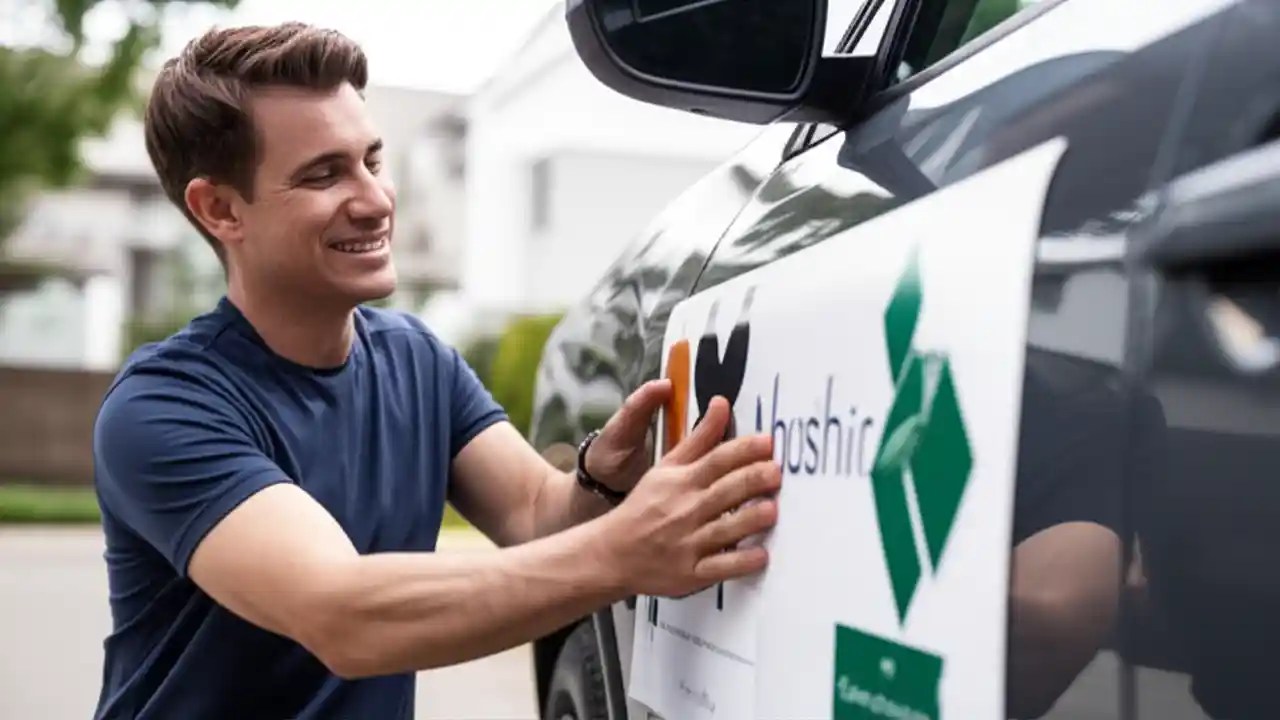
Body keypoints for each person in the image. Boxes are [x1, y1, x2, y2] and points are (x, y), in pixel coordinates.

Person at [90, 22, 781, 720]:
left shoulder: (416, 361)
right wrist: (624, 553)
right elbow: (345, 615)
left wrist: (600, 483)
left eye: (372, 160)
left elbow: (536, 516)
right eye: (324, 174)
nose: (376, 199)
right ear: (220, 209)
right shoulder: (163, 407)